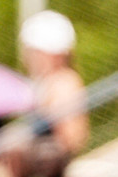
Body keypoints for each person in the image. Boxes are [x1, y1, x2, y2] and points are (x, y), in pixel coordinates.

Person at [20, 10, 88, 156]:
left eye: (35, 52)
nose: (30, 57)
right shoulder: (44, 83)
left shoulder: (64, 83)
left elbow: (73, 140)